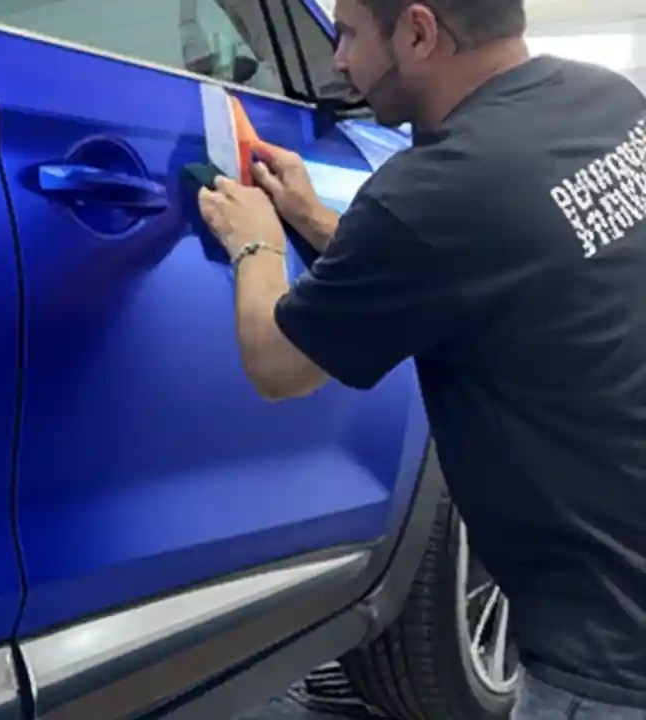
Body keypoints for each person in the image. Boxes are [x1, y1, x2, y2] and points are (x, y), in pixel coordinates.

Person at [196, 0, 646, 717]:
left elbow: (279, 365)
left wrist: (258, 244)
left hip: (608, 661)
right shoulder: (607, 101)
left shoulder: (429, 191)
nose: (337, 61)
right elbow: (483, 255)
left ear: (418, 29)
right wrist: (316, 220)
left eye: (347, 35)